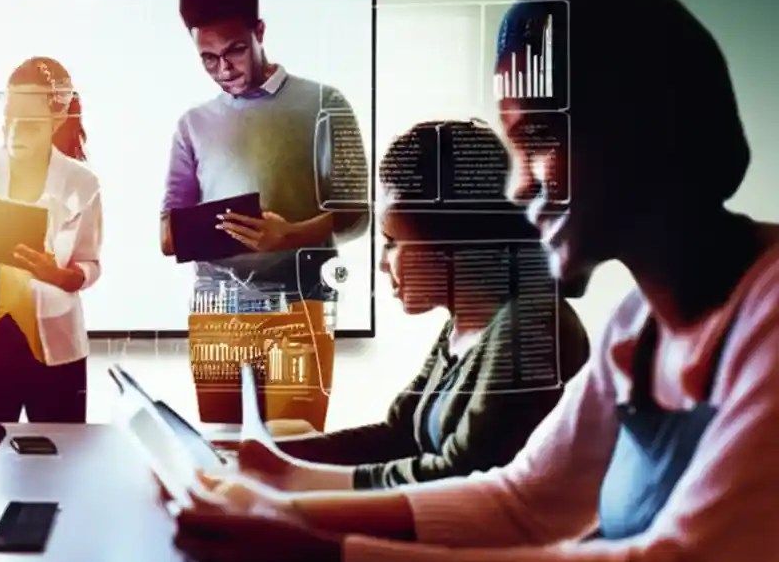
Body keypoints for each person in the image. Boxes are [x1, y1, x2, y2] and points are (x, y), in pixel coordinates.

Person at [175, 0, 779, 562]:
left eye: (539, 139)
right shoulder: (636, 324)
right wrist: (280, 508)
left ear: (643, 129)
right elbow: (522, 503)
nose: (517, 186)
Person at [237, 120, 590, 491]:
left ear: (447, 240)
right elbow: (399, 434)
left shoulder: (530, 327)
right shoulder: (462, 326)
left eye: (392, 241)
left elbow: (459, 476)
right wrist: (272, 454)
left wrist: (294, 476)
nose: (382, 263)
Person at [161, 0, 370, 428]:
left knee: (293, 448)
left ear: (259, 32)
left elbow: (357, 214)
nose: (224, 69)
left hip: (302, 306)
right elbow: (169, 230)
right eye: (208, 58)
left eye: (234, 50)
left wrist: (289, 235)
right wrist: (197, 233)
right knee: (221, 447)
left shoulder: (325, 103)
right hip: (216, 311)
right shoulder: (192, 124)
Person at [0, 56, 101, 423]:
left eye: (31, 124)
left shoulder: (82, 183)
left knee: (62, 450)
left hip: (56, 342)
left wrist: (59, 276)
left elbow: (90, 264)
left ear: (57, 120)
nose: (16, 132)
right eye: (10, 118)